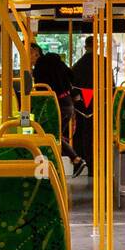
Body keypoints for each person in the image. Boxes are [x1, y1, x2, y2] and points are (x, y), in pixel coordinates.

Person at [29, 42, 86, 177]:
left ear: (35, 52)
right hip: (66, 102)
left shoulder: (39, 68)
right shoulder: (55, 61)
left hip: (55, 104)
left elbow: (41, 91)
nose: (28, 58)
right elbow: (71, 75)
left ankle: (74, 160)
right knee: (53, 135)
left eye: (29, 54)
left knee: (48, 135)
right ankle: (63, 164)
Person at [69, 36, 95, 177]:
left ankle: (79, 163)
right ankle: (95, 166)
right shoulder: (103, 62)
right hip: (99, 106)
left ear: (85, 47)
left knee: (80, 135)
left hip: (81, 107)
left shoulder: (77, 65)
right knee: (95, 136)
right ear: (96, 46)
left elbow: (72, 87)